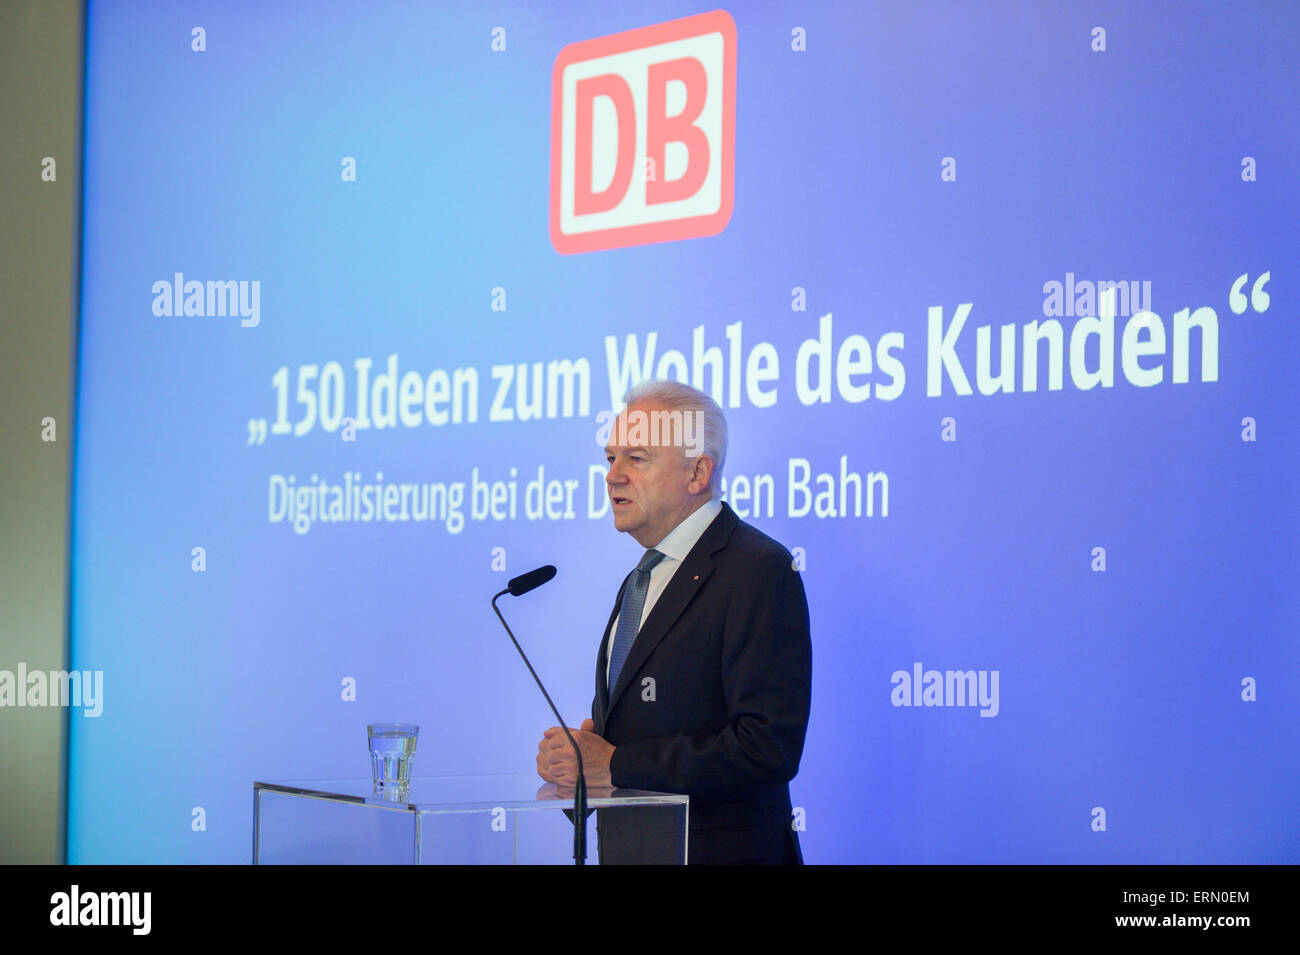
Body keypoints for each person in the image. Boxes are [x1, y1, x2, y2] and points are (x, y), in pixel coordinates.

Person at [536, 379, 812, 864]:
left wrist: (617, 765)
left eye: (636, 458)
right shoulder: (640, 579)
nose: (613, 476)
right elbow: (626, 735)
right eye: (610, 458)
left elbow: (767, 747)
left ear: (697, 472)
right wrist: (579, 766)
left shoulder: (757, 569)